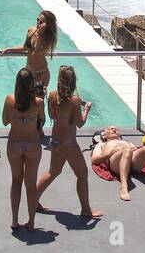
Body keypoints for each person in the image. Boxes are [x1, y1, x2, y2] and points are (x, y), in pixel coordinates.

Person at [36, 65, 102, 218]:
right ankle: (86, 210)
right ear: (73, 82)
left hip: (55, 141)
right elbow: (80, 123)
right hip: (68, 144)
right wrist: (86, 109)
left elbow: (52, 115)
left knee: (53, 172)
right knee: (82, 174)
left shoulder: (52, 96)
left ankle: (33, 200)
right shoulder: (74, 101)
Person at [2, 68, 45, 231]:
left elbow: (5, 121)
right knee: (31, 184)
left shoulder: (9, 99)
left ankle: (14, 220)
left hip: (14, 144)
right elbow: (41, 121)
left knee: (16, 181)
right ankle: (31, 222)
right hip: (32, 144)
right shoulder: (38, 102)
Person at [92, 124, 145, 201]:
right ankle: (124, 187)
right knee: (127, 151)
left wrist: (133, 149)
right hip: (115, 162)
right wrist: (108, 154)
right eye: (111, 129)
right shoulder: (102, 144)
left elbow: (135, 149)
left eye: (116, 129)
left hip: (132, 162)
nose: (114, 130)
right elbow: (94, 160)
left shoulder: (126, 142)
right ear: (104, 135)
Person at [0, 10, 58, 92]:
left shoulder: (48, 38)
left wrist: (40, 36)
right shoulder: (31, 31)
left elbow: (37, 52)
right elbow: (25, 47)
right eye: (38, 20)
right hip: (28, 72)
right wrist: (8, 49)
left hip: (41, 74)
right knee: (23, 99)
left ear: (48, 25)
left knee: (38, 101)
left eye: (42, 22)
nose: (38, 23)